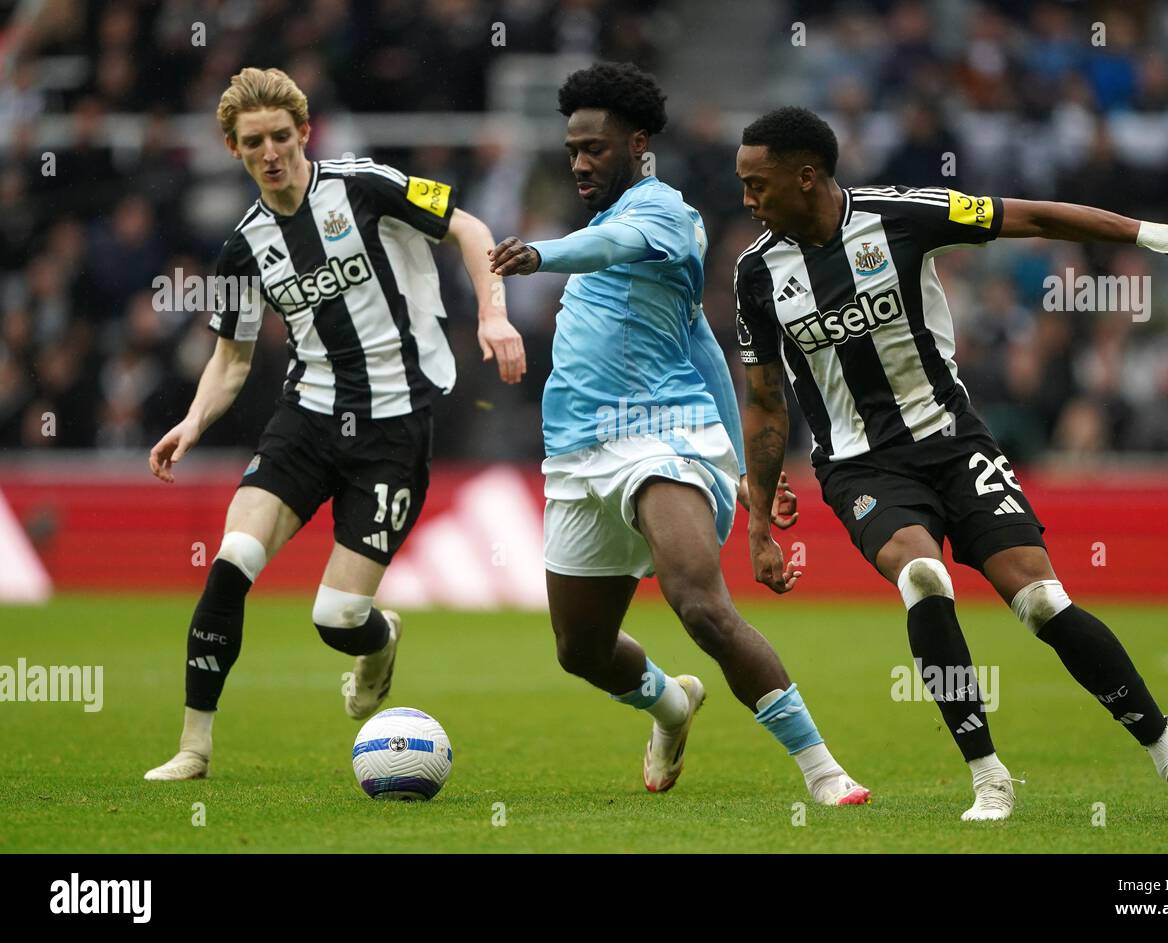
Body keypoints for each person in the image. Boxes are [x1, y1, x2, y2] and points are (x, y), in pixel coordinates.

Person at [734, 106, 1168, 821]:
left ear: (805, 176)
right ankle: (988, 775)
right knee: (922, 575)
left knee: (1041, 601)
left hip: (954, 443)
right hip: (861, 467)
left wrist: (1159, 237)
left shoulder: (905, 213)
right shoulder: (755, 272)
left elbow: (1031, 217)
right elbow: (765, 399)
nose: (748, 201)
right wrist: (760, 513)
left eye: (758, 185)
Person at [489, 64, 868, 805]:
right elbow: (702, 347)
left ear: (638, 144)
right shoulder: (613, 230)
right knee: (581, 650)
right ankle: (670, 704)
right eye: (572, 149)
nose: (581, 162)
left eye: (596, 147)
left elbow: (607, 249)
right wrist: (747, 474)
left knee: (697, 601)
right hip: (575, 453)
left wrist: (540, 254)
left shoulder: (665, 215)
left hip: (661, 437)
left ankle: (823, 769)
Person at [143, 67, 525, 784]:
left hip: (393, 428)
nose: (271, 152)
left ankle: (377, 646)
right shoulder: (243, 248)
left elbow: (469, 227)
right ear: (233, 148)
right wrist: (191, 422)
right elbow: (231, 357)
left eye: (281, 136)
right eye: (253, 141)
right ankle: (193, 748)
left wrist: (494, 312)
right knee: (230, 566)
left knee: (338, 617)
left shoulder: (362, 185)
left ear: (304, 134)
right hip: (307, 418)